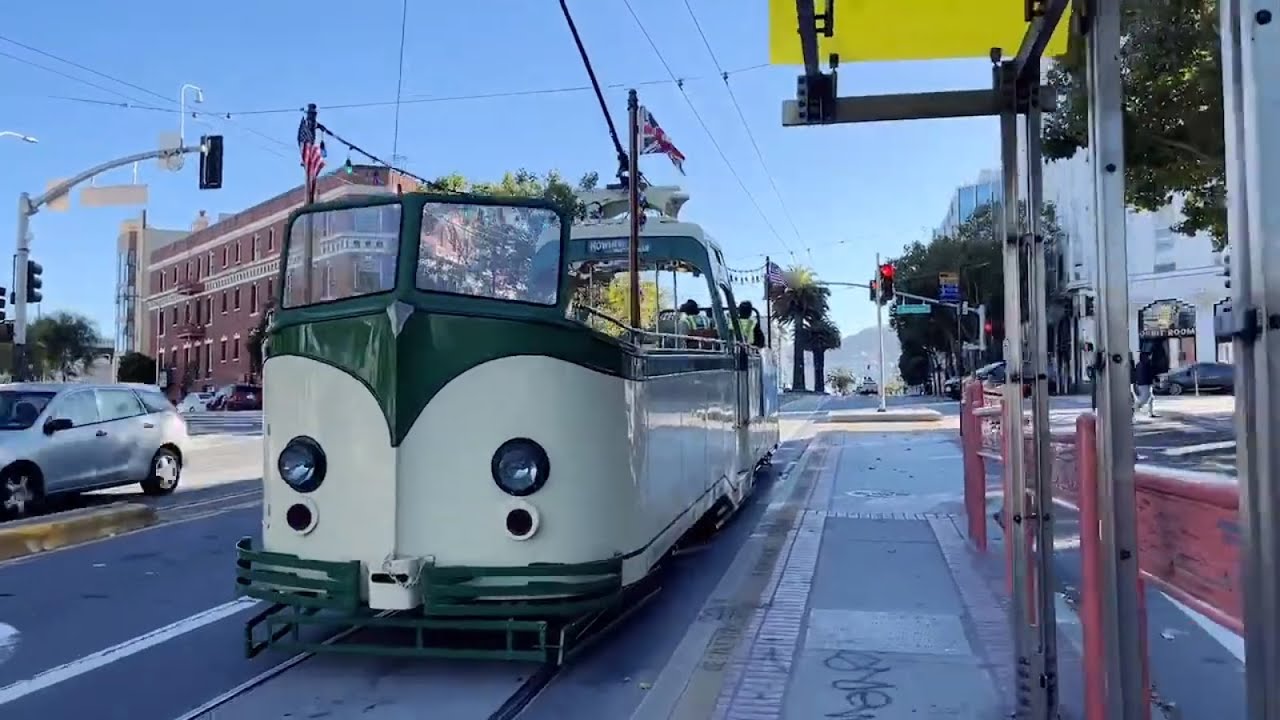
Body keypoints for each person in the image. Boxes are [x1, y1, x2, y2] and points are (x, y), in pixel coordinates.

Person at [1133, 350, 1156, 416]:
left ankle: (1150, 413)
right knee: (1144, 399)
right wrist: (1152, 382)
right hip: (1144, 384)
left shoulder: (1138, 364)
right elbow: (1148, 375)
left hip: (1141, 384)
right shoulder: (1146, 365)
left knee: (1151, 398)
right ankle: (1133, 408)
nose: (1151, 357)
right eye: (1150, 355)